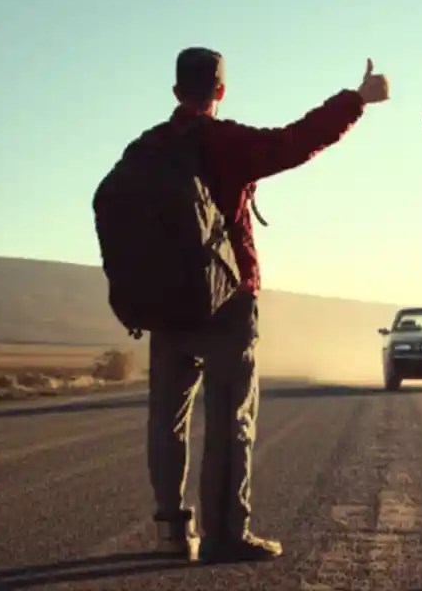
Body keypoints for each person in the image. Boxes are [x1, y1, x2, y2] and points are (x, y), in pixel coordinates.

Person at [149, 47, 390, 563]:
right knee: (230, 416)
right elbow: (295, 142)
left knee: (167, 418)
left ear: (175, 93)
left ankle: (172, 532)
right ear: (220, 90)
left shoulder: (146, 148)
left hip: (164, 304)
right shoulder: (224, 141)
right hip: (226, 299)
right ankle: (225, 535)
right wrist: (358, 99)